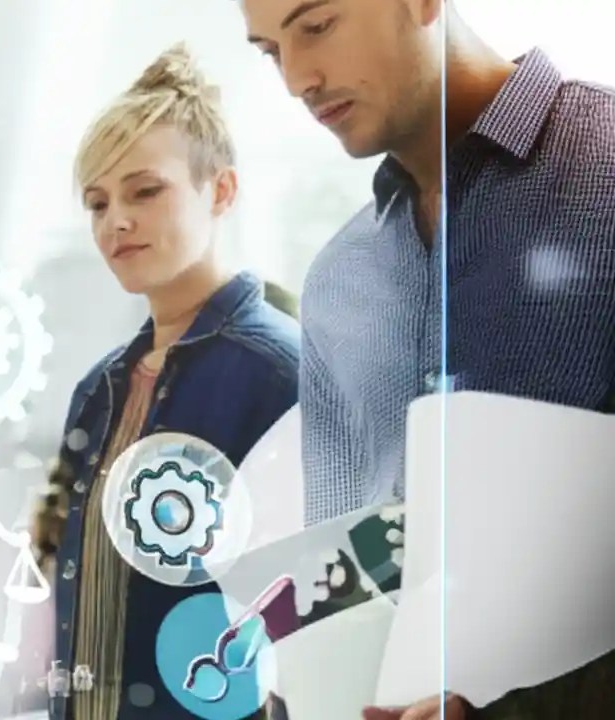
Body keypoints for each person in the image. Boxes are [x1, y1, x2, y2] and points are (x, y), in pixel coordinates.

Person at [241, 0, 615, 717]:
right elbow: (349, 569)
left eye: (316, 26)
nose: (296, 78)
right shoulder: (338, 283)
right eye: (269, 51)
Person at [31, 43, 299, 719]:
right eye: (97, 203)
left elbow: (314, 601)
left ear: (223, 191)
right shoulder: (98, 390)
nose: (115, 220)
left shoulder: (284, 373)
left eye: (145, 191)